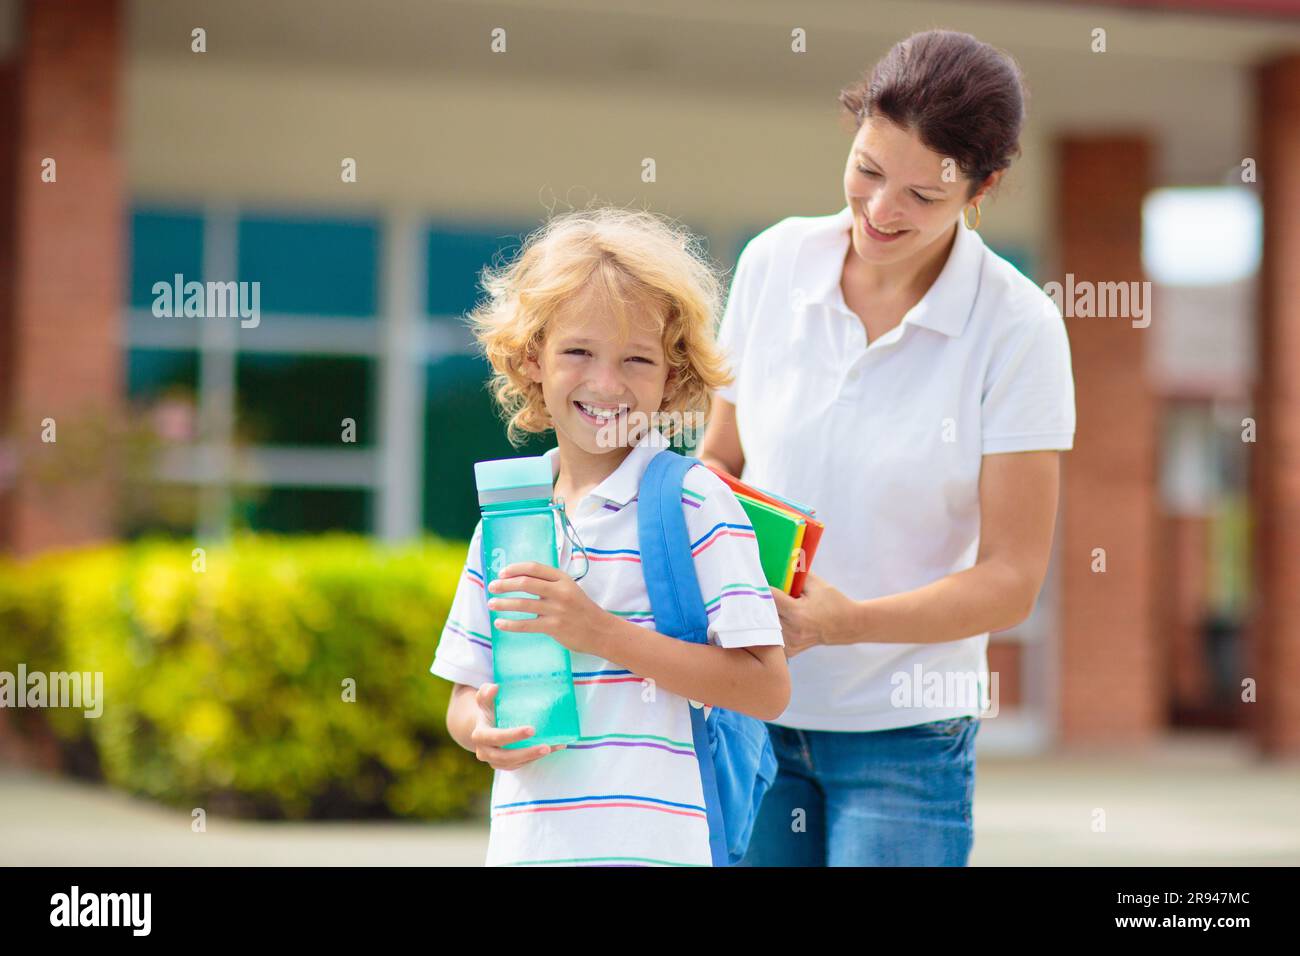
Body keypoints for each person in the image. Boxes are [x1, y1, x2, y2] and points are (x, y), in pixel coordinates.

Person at [698, 29, 1076, 866]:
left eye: (922, 194)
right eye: (868, 170)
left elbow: (1012, 582)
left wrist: (847, 623)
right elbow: (722, 462)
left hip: (907, 734)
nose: (880, 211)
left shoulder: (1017, 329)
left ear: (985, 188)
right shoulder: (773, 263)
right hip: (753, 707)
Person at [429, 206, 789, 867]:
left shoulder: (694, 501)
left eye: (636, 359)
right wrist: (481, 730)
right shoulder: (509, 518)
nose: (605, 383)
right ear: (531, 359)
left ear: (672, 376)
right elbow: (464, 691)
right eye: (578, 352)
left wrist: (597, 631)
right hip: (527, 848)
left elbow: (766, 688)